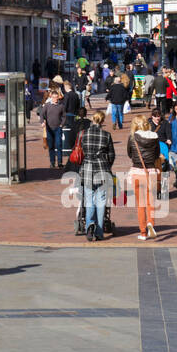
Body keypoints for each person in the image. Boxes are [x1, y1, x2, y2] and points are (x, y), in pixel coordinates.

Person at [79, 110, 115, 242]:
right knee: (101, 201)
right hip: (102, 168)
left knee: (89, 200)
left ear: (92, 120)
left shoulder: (84, 134)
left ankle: (89, 225)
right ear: (102, 121)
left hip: (87, 167)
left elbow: (82, 150)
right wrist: (106, 164)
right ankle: (99, 231)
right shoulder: (106, 135)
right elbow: (111, 155)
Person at [126, 114, 162, 241]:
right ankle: (150, 222)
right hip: (151, 171)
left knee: (140, 205)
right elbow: (157, 154)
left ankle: (143, 232)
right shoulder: (154, 137)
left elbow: (129, 154)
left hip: (137, 171)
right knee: (150, 202)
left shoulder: (132, 138)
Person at [40, 88, 65, 169]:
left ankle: (60, 163)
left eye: (56, 97)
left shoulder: (61, 106)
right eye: (54, 97)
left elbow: (64, 116)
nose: (55, 99)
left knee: (59, 145)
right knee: (51, 146)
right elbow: (42, 114)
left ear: (58, 97)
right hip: (49, 128)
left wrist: (62, 124)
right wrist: (42, 122)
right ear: (51, 97)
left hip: (58, 128)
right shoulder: (47, 105)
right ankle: (52, 163)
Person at [60, 82, 81, 165]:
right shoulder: (76, 95)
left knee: (67, 131)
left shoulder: (67, 95)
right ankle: (73, 145)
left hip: (68, 114)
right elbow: (78, 105)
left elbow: (65, 106)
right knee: (73, 130)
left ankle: (68, 146)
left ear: (66, 87)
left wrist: (62, 113)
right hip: (74, 114)